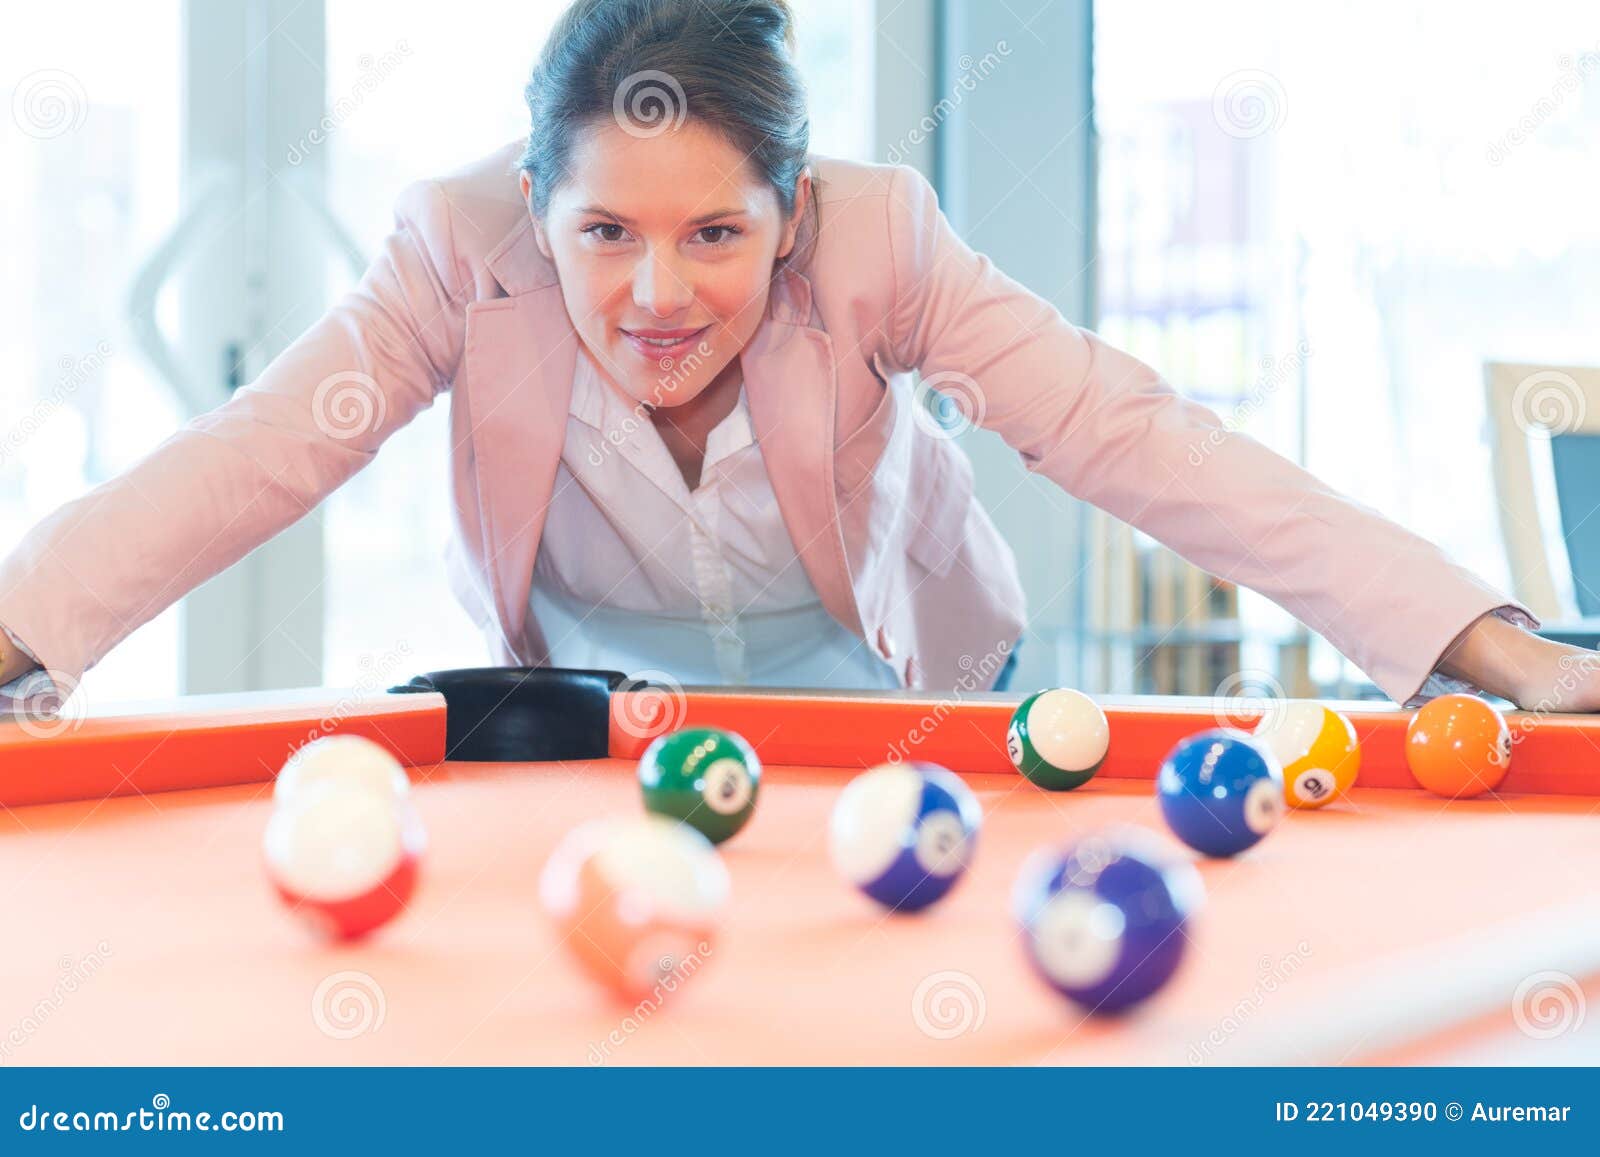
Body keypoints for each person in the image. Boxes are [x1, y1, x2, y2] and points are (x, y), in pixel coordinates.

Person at [0, 0, 1590, 712]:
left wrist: (1477, 636)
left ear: (793, 212)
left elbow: (1138, 434)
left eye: (718, 235)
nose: (657, 298)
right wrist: (20, 630)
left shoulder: (885, 239)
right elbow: (259, 448)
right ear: (537, 207)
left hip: (898, 678)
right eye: (606, 234)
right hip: (605, 698)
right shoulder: (452, 249)